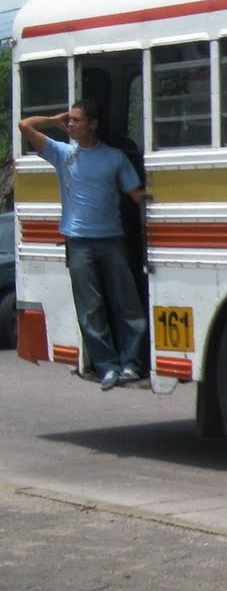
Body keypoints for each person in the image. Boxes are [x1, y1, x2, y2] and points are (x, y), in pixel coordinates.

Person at [20, 100, 148, 391]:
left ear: (93, 124)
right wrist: (56, 119)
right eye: (71, 120)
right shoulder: (63, 153)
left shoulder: (115, 158)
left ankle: (131, 364)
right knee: (90, 309)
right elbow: (25, 126)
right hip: (78, 242)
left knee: (126, 303)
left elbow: (137, 195)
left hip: (112, 239)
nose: (71, 124)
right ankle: (108, 367)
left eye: (77, 120)